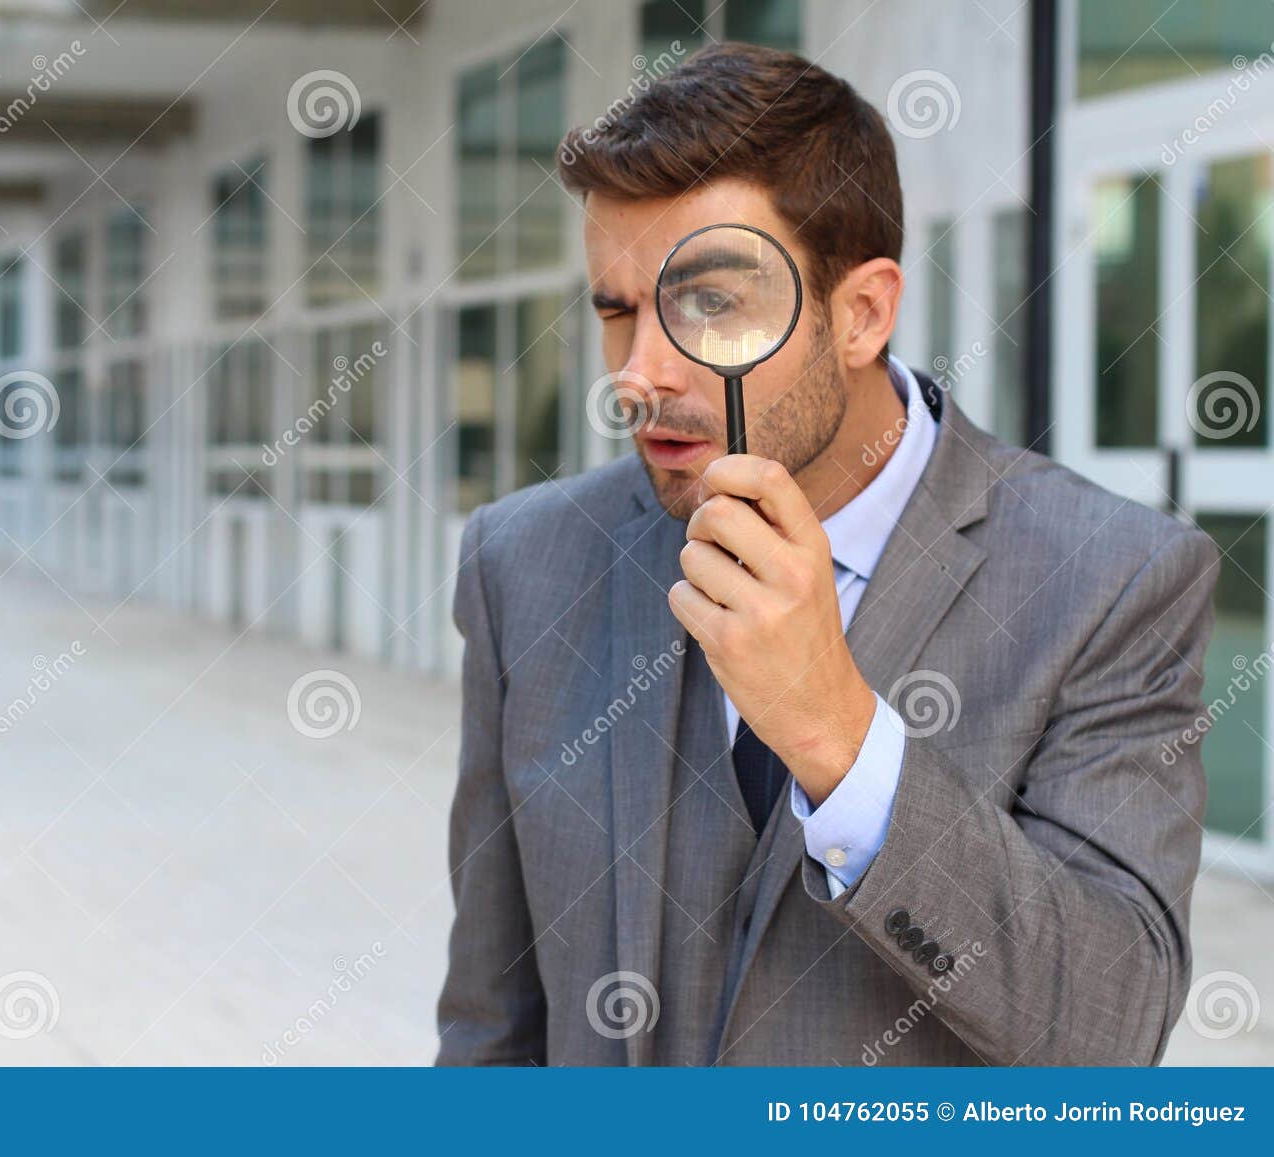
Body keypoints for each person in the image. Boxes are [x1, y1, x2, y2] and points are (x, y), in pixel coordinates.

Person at [435, 41, 1218, 1066]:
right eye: (617, 311)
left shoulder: (1111, 579)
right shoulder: (524, 562)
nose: (639, 373)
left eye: (709, 303)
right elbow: (493, 1027)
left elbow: (1108, 1028)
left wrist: (837, 736)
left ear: (861, 313)